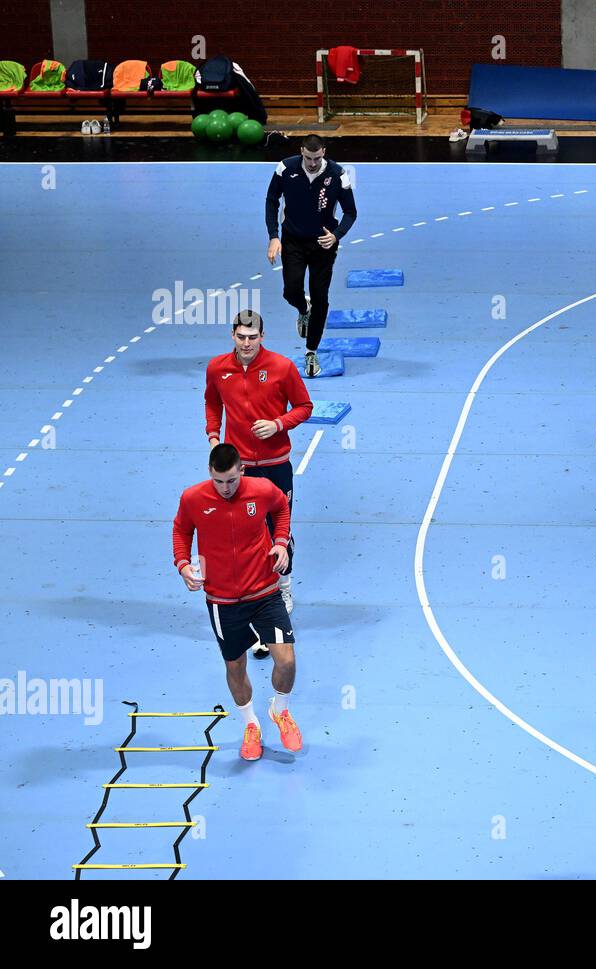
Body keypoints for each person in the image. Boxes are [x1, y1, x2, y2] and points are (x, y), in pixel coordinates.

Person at [172, 443, 303, 761]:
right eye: (219, 481)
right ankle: (251, 725)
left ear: (241, 471)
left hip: (264, 592)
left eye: (231, 480)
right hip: (222, 600)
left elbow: (281, 508)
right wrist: (183, 565)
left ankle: (280, 711)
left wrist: (281, 542)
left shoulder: (261, 489)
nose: (226, 488)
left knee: (286, 662)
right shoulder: (193, 498)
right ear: (210, 473)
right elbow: (181, 530)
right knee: (236, 665)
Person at [205, 309, 313, 657]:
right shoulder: (218, 368)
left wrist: (278, 424)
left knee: (279, 527)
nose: (247, 343)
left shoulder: (282, 367)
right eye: (241, 337)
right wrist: (212, 435)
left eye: (253, 338)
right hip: (240, 469)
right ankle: (252, 601)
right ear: (232, 336)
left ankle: (283, 586)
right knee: (248, 532)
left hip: (275, 465)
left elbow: (305, 406)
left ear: (262, 337)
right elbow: (212, 401)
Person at [264, 134, 358, 377]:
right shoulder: (285, 168)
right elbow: (272, 200)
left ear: (324, 152)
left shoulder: (338, 174)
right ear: (301, 152)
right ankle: (302, 308)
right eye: (308, 157)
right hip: (292, 240)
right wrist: (274, 236)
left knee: (321, 297)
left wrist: (337, 235)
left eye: (317, 158)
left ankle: (311, 352)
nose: (312, 163)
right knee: (291, 290)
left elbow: (350, 212)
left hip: (323, 245)